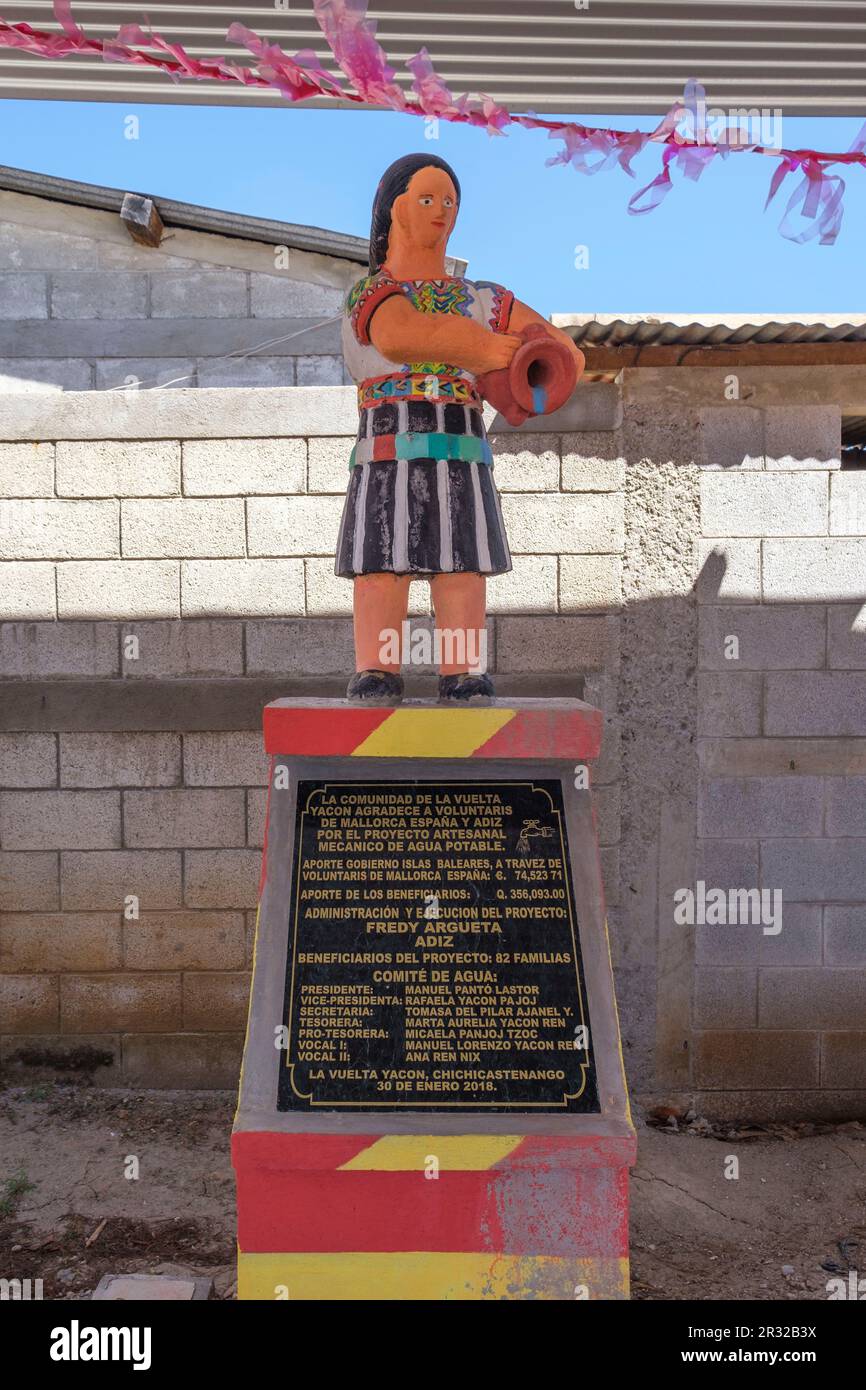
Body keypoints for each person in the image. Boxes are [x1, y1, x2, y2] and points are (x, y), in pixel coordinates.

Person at [336, 152, 585, 702]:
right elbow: (402, 336)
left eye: (449, 202)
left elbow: (562, 352)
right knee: (382, 557)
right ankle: (378, 669)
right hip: (387, 444)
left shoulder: (485, 298)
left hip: (461, 446)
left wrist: (532, 369)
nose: (441, 212)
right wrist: (491, 349)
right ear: (395, 210)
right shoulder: (369, 293)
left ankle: (462, 671)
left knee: (462, 561)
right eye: (427, 199)